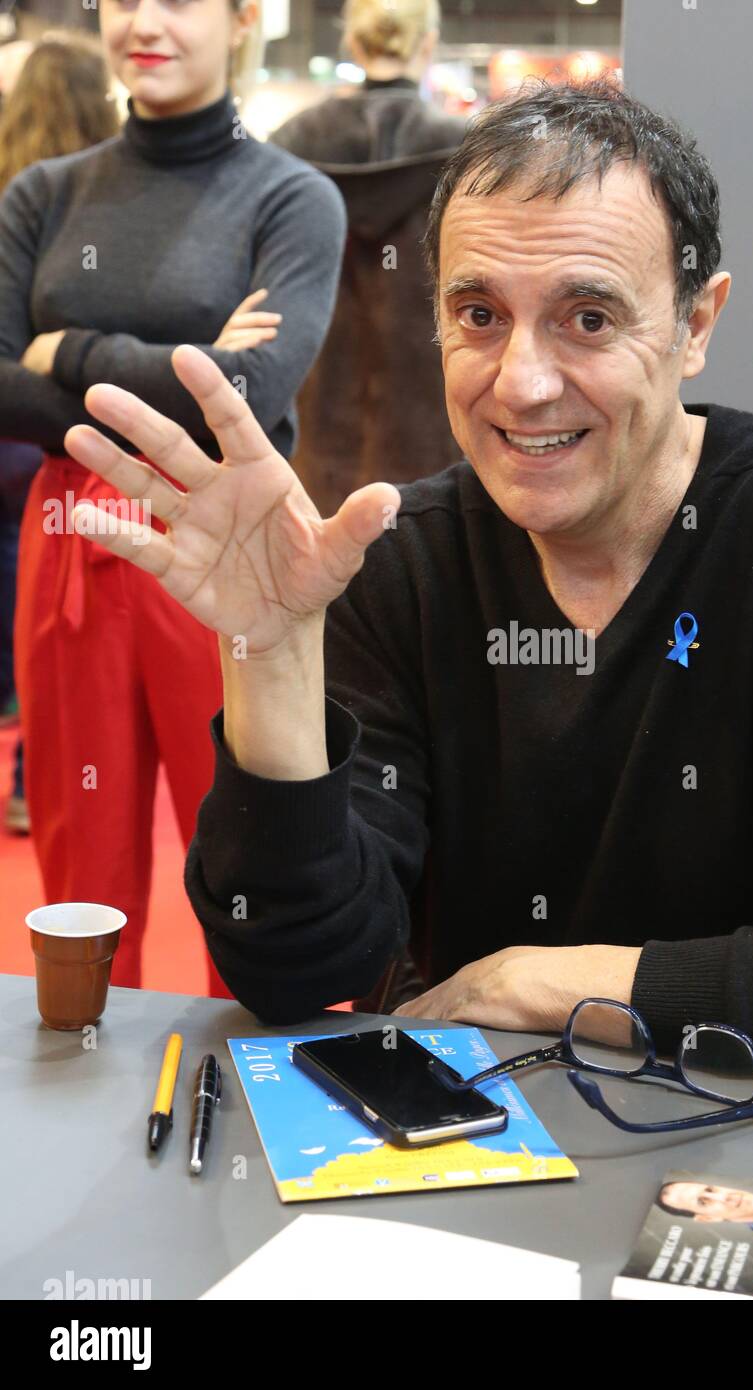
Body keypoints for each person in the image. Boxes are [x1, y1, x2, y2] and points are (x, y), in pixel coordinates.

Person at [61, 77, 753, 1086]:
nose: (521, 381)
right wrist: (275, 658)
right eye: (479, 313)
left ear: (696, 323)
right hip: (488, 1171)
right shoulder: (407, 562)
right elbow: (296, 962)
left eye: (588, 319)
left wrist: (520, 983)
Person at [0, 0, 346, 992]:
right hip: (72, 538)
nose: (143, 20)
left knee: (248, 842)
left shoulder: (291, 198)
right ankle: (84, 1079)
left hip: (232, 540)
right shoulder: (45, 194)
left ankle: (250, 1091)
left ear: (245, 16)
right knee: (80, 848)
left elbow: (257, 389)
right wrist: (191, 368)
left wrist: (68, 348)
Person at [268, 0, 466, 517]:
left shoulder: (290, 148)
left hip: (312, 442)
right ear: (428, 43)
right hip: (433, 440)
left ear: (352, 44)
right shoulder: (470, 154)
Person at [0, 31, 122, 835]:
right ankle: (24, 772)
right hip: (65, 449)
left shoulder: (18, 194)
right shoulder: (105, 204)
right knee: (56, 621)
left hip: (20, 428)